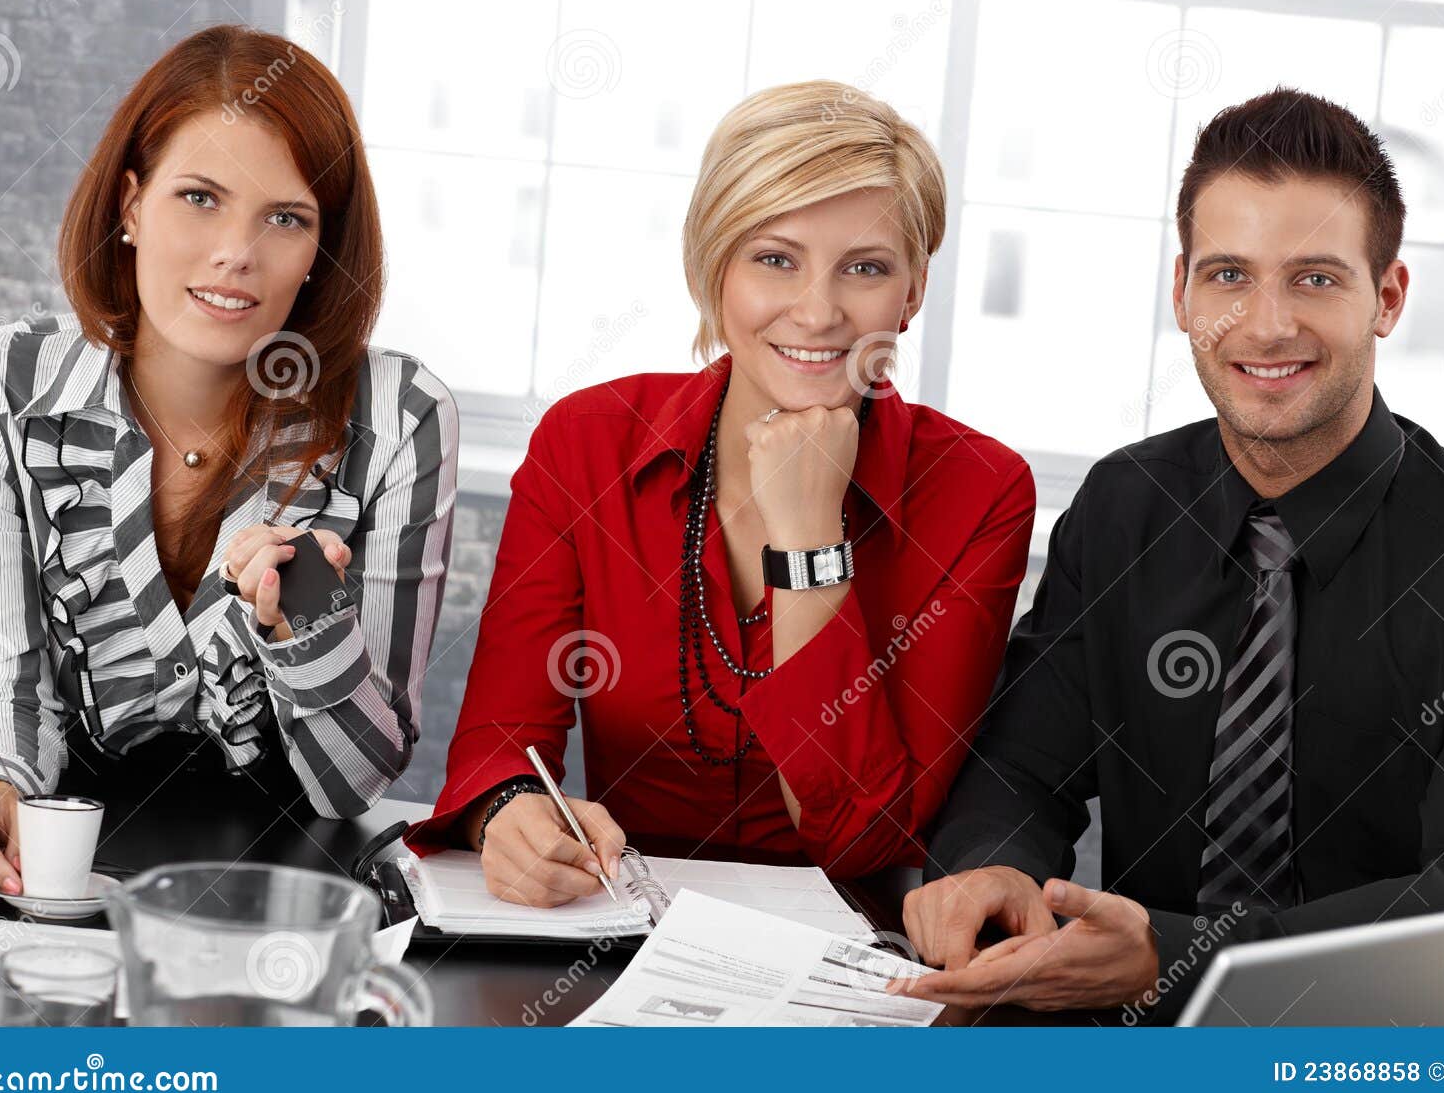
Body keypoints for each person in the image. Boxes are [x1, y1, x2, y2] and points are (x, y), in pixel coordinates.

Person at [895, 88, 1444, 1022]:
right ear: (1184, 290)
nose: (1267, 324)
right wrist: (991, 872)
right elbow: (1022, 765)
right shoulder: (1123, 506)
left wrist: (1178, 956)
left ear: (1386, 298)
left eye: (1315, 278)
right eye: (1230, 275)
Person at [406, 81, 1035, 904]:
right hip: (611, 934)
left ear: (912, 291)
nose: (817, 312)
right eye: (775, 258)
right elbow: (500, 741)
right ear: (714, 270)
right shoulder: (588, 442)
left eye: (866, 268)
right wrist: (509, 809)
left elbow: (860, 834)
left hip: (849, 963)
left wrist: (808, 537)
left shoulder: (982, 491)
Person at [0, 25, 458, 913]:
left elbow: (355, 781)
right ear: (131, 207)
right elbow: (0, 677)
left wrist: (308, 619)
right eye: (199, 197)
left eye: (285, 218)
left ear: (322, 249)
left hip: (293, 898)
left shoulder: (402, 418)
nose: (235, 254)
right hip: (52, 877)